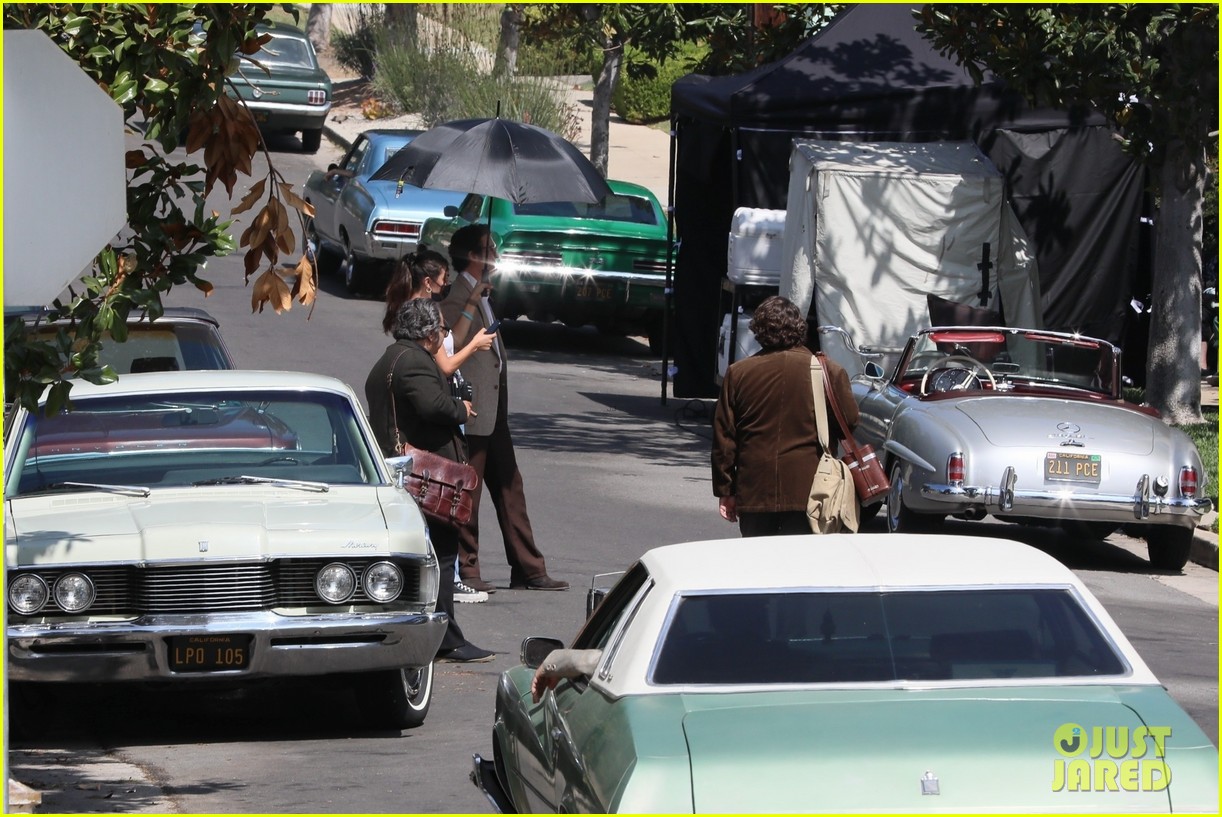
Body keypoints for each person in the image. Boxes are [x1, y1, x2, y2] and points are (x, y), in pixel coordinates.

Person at [439, 223, 569, 591]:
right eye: (488, 248)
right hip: (474, 409)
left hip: (494, 411)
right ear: (472, 256)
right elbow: (451, 347)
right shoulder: (455, 296)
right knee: (469, 491)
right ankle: (469, 570)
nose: (494, 253)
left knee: (510, 487)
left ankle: (529, 568)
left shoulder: (484, 293)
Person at [365, 298, 495, 663]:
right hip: (424, 477)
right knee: (439, 553)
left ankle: (435, 631)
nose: (444, 335)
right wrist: (461, 409)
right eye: (441, 329)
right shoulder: (413, 363)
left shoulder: (394, 355)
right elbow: (432, 406)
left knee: (426, 555)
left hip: (408, 471)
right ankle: (446, 637)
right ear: (426, 333)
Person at [384, 247, 495, 603]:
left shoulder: (422, 320)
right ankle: (447, 590)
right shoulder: (421, 322)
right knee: (442, 514)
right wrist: (460, 406)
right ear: (429, 281)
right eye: (443, 278)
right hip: (428, 440)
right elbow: (444, 367)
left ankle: (452, 580)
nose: (447, 283)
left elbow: (451, 340)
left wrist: (473, 302)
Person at [711, 295, 859, 537]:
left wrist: (725, 490)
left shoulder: (738, 373)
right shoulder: (828, 371)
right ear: (800, 328)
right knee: (801, 568)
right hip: (812, 489)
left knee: (760, 568)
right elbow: (849, 422)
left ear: (758, 331)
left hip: (754, 489)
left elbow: (724, 439)